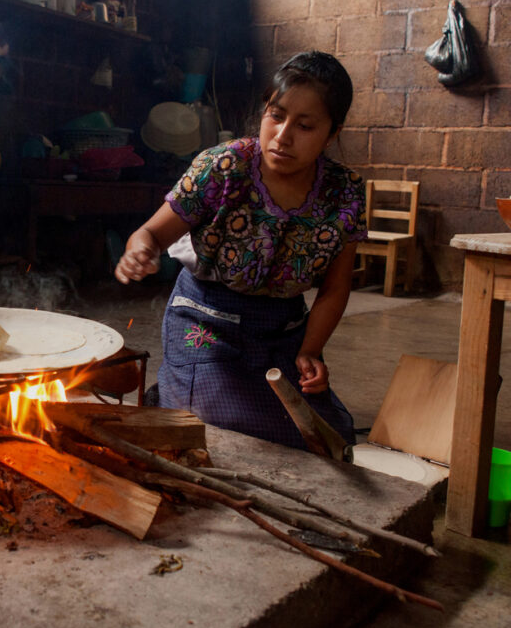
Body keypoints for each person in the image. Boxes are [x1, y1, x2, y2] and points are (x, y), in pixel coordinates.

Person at [115, 50, 366, 450]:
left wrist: (310, 351)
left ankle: (181, 390)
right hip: (204, 321)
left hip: (279, 331)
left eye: (304, 125)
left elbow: (335, 289)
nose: (282, 136)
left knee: (324, 434)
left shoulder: (345, 191)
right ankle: (178, 388)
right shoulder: (224, 166)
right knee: (226, 423)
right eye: (276, 115)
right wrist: (139, 250)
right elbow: (151, 233)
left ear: (332, 133)